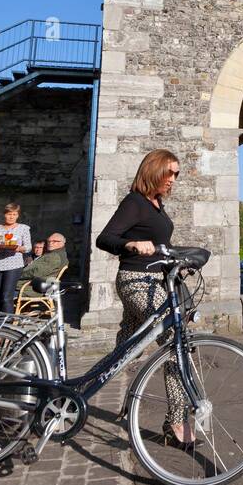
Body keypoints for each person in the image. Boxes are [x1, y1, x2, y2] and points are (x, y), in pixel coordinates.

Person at [96, 149, 192, 447]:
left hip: (157, 283)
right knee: (177, 343)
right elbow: (105, 238)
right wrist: (132, 244)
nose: (174, 180)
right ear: (154, 170)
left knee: (125, 350)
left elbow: (162, 243)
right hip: (136, 281)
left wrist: (178, 261)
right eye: (170, 173)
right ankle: (175, 420)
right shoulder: (135, 202)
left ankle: (76, 394)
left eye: (177, 174)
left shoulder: (157, 206)